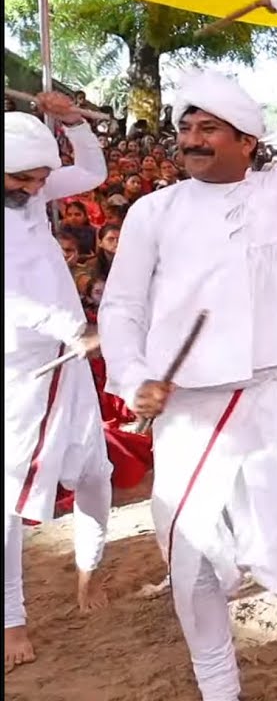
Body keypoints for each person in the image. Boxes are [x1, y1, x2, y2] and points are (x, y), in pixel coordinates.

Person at [98, 0, 277, 698]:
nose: (189, 138)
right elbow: (122, 309)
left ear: (248, 141)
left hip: (275, 406)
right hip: (187, 415)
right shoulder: (152, 213)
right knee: (190, 566)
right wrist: (134, 381)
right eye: (186, 127)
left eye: (209, 128)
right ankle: (220, 688)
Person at [5, 97, 112, 673]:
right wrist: (67, 326)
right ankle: (9, 621)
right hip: (17, 371)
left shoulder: (30, 195)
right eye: (24, 178)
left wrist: (73, 122)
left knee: (98, 473)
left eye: (41, 179)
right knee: (6, 501)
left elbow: (92, 173)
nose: (35, 189)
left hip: (66, 359)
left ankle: (87, 574)